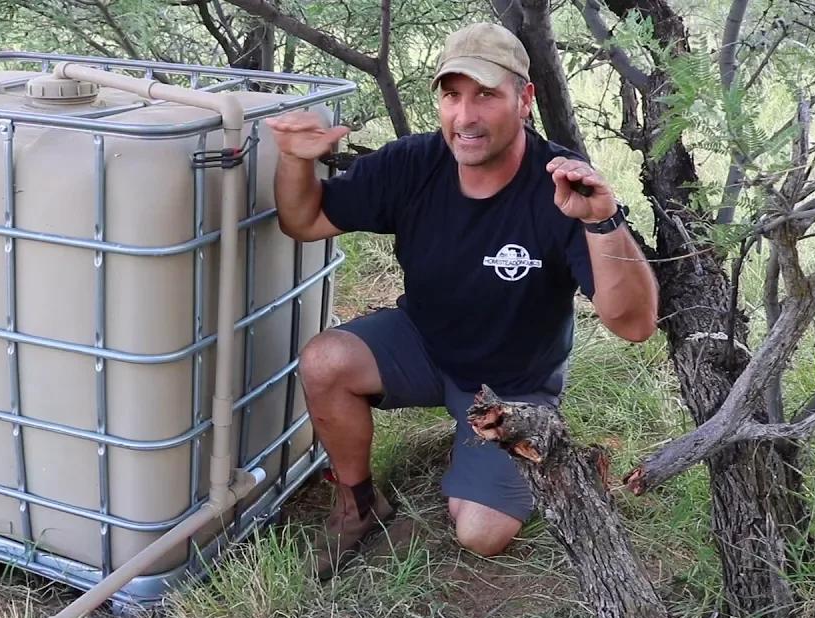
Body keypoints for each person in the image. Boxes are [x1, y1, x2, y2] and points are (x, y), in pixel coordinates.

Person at [264, 22, 659, 579]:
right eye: (452, 95)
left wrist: (603, 223)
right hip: (424, 344)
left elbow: (636, 324)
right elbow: (302, 220)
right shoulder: (412, 164)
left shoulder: (561, 185)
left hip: (512, 387)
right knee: (325, 360)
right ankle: (358, 505)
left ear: (525, 100)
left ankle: (520, 452)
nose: (465, 116)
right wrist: (295, 160)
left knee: (480, 535)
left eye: (486, 95)